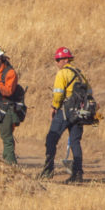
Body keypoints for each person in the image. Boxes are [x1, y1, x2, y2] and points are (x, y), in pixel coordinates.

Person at [40, 47, 93, 183]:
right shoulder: (81, 74)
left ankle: (47, 172)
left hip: (65, 111)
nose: (57, 63)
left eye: (58, 60)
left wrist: (54, 107)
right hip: (80, 113)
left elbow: (58, 93)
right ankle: (78, 174)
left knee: (51, 139)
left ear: (65, 59)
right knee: (75, 142)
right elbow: (89, 92)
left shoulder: (62, 73)